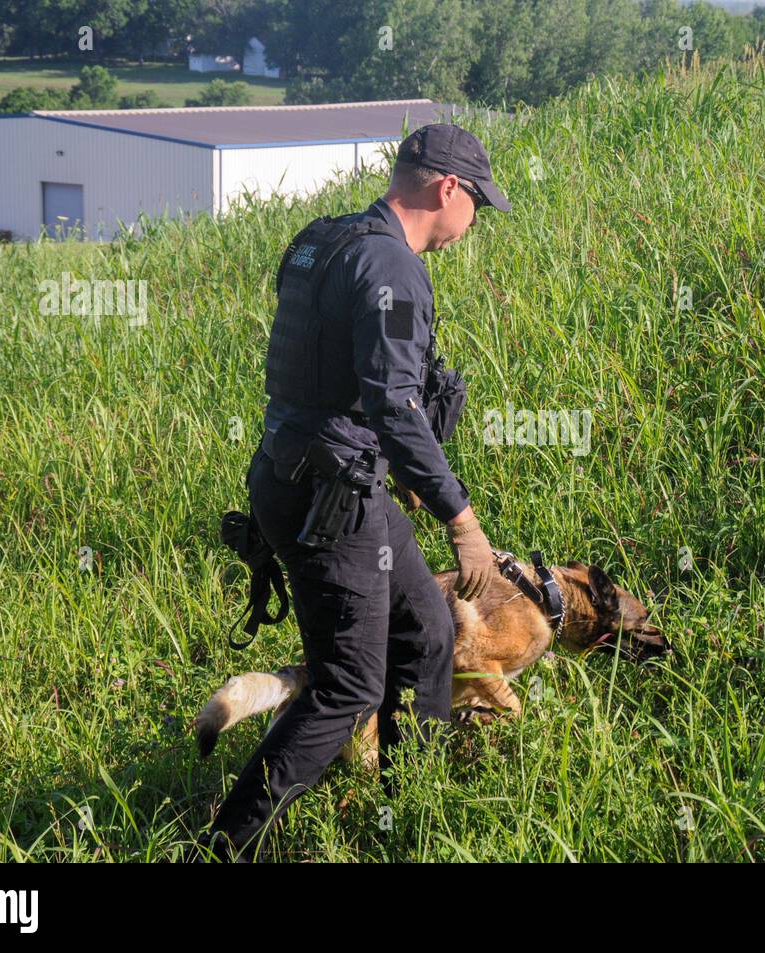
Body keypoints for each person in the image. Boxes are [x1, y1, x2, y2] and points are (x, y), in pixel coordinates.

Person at [193, 124, 511, 861]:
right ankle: (221, 846)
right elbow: (396, 403)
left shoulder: (322, 239)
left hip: (302, 472)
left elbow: (330, 373)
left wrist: (387, 461)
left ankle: (416, 808)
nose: (475, 223)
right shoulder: (395, 269)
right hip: (333, 496)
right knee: (346, 687)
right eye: (478, 205)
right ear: (447, 189)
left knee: (428, 630)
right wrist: (460, 519)